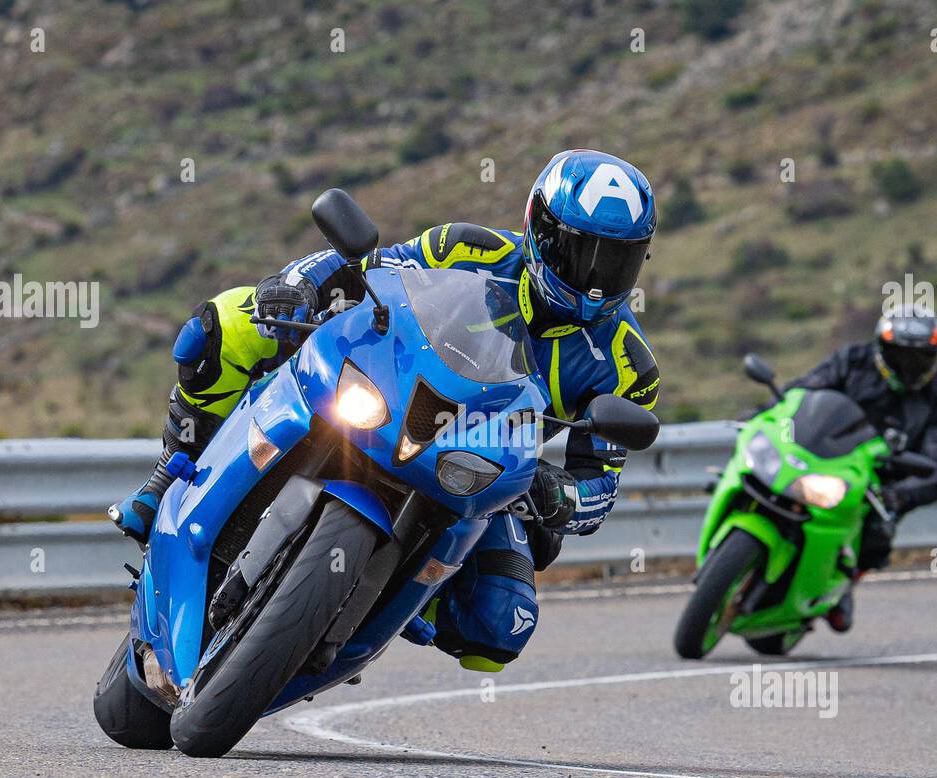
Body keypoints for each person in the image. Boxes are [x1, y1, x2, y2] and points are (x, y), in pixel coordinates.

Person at [109, 149, 661, 670]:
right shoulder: (470, 249)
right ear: (539, 231)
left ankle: (407, 595)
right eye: (579, 252)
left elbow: (600, 487)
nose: (593, 280)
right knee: (227, 324)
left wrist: (558, 494)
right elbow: (369, 269)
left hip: (478, 471)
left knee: (497, 633)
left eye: (616, 263)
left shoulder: (628, 366)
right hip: (391, 395)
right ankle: (167, 474)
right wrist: (298, 286)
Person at [781, 303, 937, 631]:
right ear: (881, 347)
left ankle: (842, 588)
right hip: (825, 454)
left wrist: (898, 496)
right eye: (899, 355)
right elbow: (805, 389)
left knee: (877, 536)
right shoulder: (852, 361)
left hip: (882, 482)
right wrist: (769, 412)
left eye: (919, 358)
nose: (909, 366)